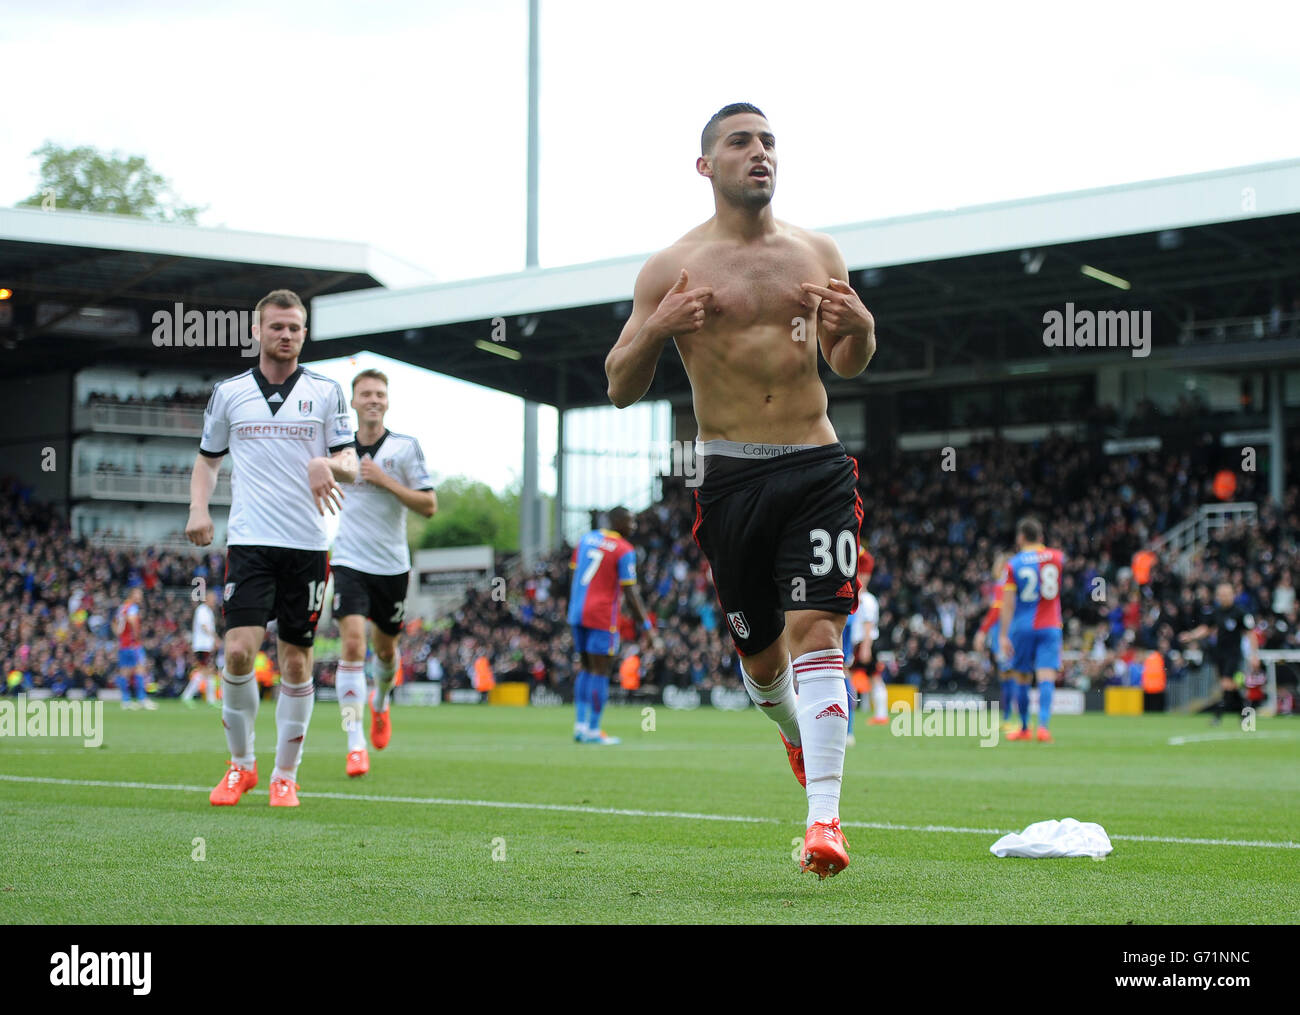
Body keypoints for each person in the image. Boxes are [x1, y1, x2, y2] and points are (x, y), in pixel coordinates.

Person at [605, 103, 875, 878]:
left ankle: (825, 820)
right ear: (706, 166)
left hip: (817, 465)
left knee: (817, 631)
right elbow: (620, 387)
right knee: (761, 664)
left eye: (767, 142)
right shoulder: (671, 268)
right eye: (740, 142)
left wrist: (863, 325)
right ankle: (794, 730)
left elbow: (848, 362)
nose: (759, 153)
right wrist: (660, 325)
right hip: (728, 478)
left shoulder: (817, 251)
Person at [186, 288, 358, 808]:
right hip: (251, 542)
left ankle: (286, 774)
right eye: (277, 327)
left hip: (307, 545)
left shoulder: (328, 392)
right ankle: (241, 766)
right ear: (257, 332)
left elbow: (352, 462)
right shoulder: (229, 392)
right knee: (238, 650)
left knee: (297, 664)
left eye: (295, 328)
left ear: (305, 334)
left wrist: (327, 464)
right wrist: (198, 508)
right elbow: (207, 460)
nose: (286, 335)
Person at [329, 368, 436, 776]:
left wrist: (385, 481)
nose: (373, 399)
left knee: (386, 651)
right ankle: (355, 745)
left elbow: (428, 505)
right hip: (349, 559)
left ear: (387, 401)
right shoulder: (339, 447)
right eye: (365, 394)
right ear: (353, 402)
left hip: (392, 566)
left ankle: (380, 703)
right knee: (353, 646)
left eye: (379, 394)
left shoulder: (406, 449)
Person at [567, 507, 659, 744]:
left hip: (577, 611)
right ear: (617, 521)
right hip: (601, 615)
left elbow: (573, 575)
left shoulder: (586, 539)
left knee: (586, 668)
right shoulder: (624, 550)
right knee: (600, 671)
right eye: (631, 522)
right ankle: (594, 730)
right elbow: (631, 593)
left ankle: (580, 726)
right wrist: (648, 628)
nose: (634, 527)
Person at [999, 519, 1065, 743]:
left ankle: (1025, 727)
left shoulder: (1013, 564)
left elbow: (1007, 603)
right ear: (1041, 537)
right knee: (1046, 675)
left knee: (1022, 676)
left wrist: (1002, 635)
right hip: (1051, 625)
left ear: (1020, 537)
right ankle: (1043, 727)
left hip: (1023, 627)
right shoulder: (1057, 557)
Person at [1178, 582, 1257, 725]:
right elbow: (1206, 628)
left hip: (1233, 654)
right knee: (1230, 686)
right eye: (1221, 595)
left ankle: (1217, 717)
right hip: (1219, 654)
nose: (1223, 597)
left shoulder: (1240, 612)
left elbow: (1251, 634)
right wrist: (1191, 635)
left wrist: (1254, 655)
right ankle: (1246, 712)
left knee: (1225, 684)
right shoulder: (1216, 612)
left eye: (1226, 594)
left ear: (1233, 595)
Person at [973, 552, 1016, 734]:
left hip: (1003, 635)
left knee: (1009, 676)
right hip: (1003, 634)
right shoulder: (1003, 585)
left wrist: (982, 631)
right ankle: (1008, 718)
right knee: (1006, 676)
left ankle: (1012, 718)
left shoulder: (1003, 585)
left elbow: (996, 610)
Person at [114, 586, 154, 710]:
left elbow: (114, 623)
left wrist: (119, 635)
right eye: (138, 594)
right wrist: (137, 636)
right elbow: (133, 622)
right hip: (133, 644)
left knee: (125, 671)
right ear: (132, 595)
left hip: (123, 644)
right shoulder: (132, 607)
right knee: (140, 669)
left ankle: (126, 700)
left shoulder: (122, 607)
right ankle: (142, 698)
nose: (140, 597)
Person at [182, 591, 219, 708]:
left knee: (208, 671)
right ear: (207, 599)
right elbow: (204, 626)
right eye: (213, 598)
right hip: (202, 645)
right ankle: (187, 696)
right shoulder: (202, 610)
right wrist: (215, 638)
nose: (214, 601)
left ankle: (210, 699)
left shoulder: (207, 611)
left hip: (206, 645)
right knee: (205, 670)